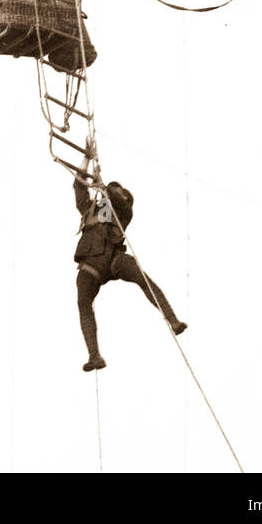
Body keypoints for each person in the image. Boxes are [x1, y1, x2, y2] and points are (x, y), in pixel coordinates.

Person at [74, 155, 187, 372]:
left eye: (120, 191)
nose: (116, 191)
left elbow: (115, 202)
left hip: (115, 258)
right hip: (91, 264)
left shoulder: (123, 210)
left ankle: (173, 320)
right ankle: (94, 356)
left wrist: (105, 188)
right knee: (83, 303)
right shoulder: (90, 209)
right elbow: (79, 185)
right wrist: (86, 159)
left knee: (142, 278)